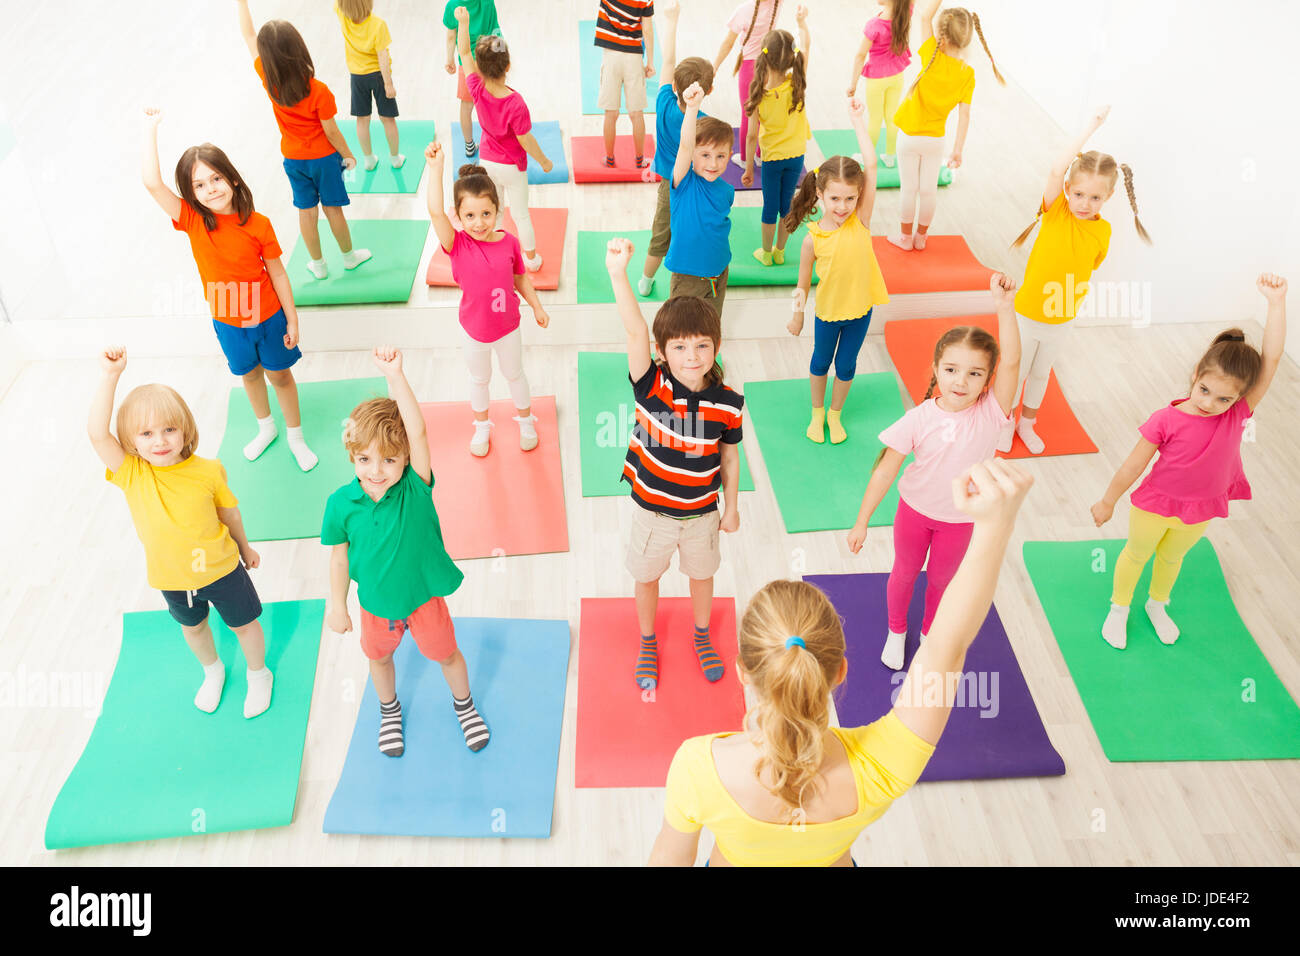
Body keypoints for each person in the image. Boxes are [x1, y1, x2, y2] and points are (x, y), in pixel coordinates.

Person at [650, 458, 1035, 865]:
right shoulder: (878, 765)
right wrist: (996, 526)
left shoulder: (698, 768)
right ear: (839, 672)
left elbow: (669, 861)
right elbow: (947, 648)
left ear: (743, 671)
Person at [1090, 275, 1286, 648]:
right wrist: (1108, 500)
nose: (1210, 403)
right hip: (1155, 504)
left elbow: (1272, 359)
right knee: (1137, 554)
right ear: (1195, 376)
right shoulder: (1166, 419)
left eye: (1223, 399)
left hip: (1202, 507)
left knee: (1171, 558)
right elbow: (1133, 466)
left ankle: (1157, 604)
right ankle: (1119, 609)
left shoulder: (1238, 414)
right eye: (1205, 391)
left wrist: (1276, 305)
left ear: (1239, 399)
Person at [323, 347, 490, 756]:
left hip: (423, 600)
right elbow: (339, 558)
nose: (375, 470)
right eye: (364, 459)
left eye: (388, 460)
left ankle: (464, 706)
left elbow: (417, 431)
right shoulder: (340, 504)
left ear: (406, 460)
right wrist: (336, 605)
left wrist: (395, 377)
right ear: (351, 455)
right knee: (379, 661)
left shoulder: (415, 486)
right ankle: (389, 711)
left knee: (447, 655)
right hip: (376, 606)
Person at [89, 347, 273, 718]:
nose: (160, 441)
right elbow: (96, 434)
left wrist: (245, 548)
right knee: (194, 629)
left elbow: (230, 514)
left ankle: (259, 673)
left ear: (185, 429)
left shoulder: (208, 471)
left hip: (221, 569)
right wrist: (111, 377)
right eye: (147, 433)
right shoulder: (133, 474)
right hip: (172, 578)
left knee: (245, 625)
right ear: (131, 441)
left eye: (169, 429)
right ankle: (213, 671)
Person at [142, 108, 316, 470]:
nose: (210, 190)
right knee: (249, 375)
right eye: (199, 186)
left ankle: (296, 435)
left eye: (215, 179)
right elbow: (152, 183)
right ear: (191, 195)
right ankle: (266, 428)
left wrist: (292, 319)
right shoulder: (191, 221)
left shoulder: (258, 225)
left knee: (280, 376)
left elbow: (279, 275)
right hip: (228, 321)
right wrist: (151, 128)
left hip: (269, 317)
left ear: (233, 179)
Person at [606, 237, 744, 692]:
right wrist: (617, 274)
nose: (693, 357)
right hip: (653, 512)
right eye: (681, 349)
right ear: (662, 352)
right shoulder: (651, 386)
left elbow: (729, 454)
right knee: (647, 578)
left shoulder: (728, 403)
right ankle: (648, 639)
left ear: (716, 346)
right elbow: (633, 331)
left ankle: (702, 634)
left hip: (702, 513)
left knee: (702, 576)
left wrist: (732, 507)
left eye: (703, 347)